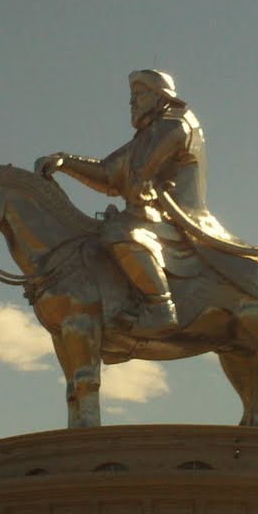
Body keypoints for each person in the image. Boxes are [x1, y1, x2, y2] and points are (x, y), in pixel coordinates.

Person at [35, 70, 235, 329]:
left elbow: (141, 174)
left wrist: (137, 187)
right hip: (153, 216)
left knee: (121, 233)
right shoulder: (147, 135)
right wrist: (64, 161)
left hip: (179, 218)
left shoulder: (176, 124)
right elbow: (109, 174)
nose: (133, 103)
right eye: (132, 97)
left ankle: (161, 308)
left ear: (160, 97)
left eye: (139, 95)